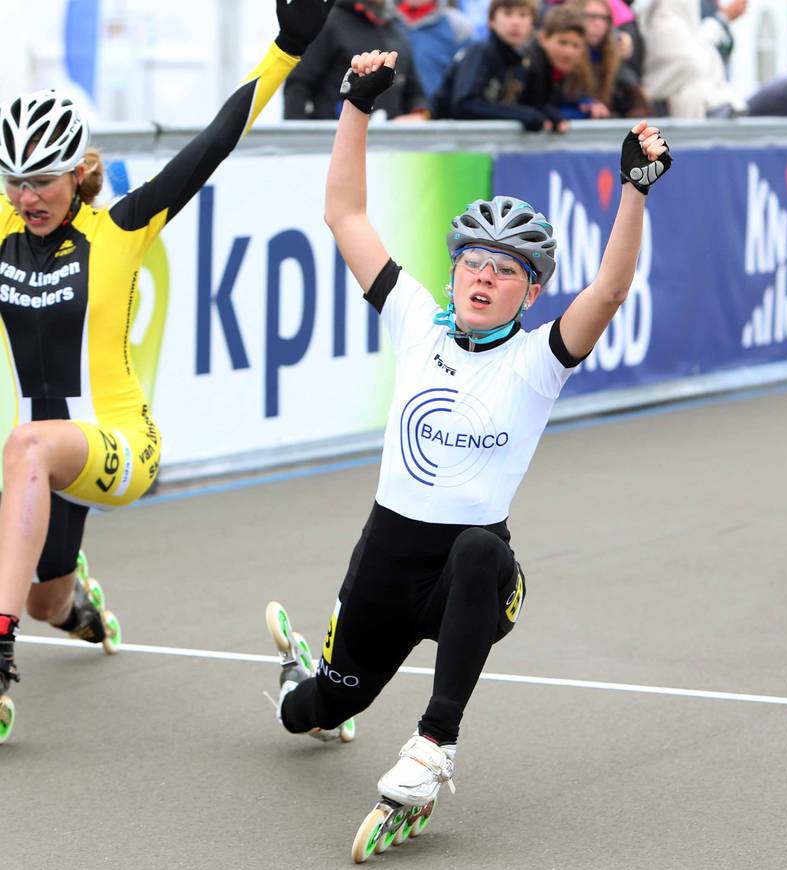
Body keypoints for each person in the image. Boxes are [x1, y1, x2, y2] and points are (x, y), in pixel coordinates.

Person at [268, 48, 672, 859]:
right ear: (453, 274)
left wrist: (634, 192)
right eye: (471, 265)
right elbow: (346, 216)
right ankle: (300, 677)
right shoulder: (416, 320)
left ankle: (430, 748)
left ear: (531, 290)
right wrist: (356, 104)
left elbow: (611, 291)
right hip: (386, 556)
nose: (482, 280)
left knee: (483, 549)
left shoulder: (538, 362)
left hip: (469, 572)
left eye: (504, 271)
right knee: (314, 712)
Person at [0, 0, 335, 744]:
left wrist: (287, 48)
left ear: (81, 170)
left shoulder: (121, 227)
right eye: (15, 181)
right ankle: (74, 606)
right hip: (50, 466)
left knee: (25, 443)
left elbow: (216, 140)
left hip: (120, 442)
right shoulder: (3, 227)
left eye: (44, 180)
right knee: (45, 599)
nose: (28, 198)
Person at [282, 0, 429, 122]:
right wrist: (302, 143)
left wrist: (418, 114)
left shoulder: (397, 33)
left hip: (387, 149)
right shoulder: (327, 23)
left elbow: (415, 93)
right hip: (333, 145)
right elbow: (298, 85)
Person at [432, 0, 550, 130]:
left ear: (532, 25)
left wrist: (548, 114)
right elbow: (463, 104)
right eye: (508, 14)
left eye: (522, 15)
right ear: (491, 21)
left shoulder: (526, 61)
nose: (515, 22)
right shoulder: (480, 52)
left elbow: (533, 104)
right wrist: (522, 115)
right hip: (448, 141)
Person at [638, 0, 745, 118]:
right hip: (676, 104)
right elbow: (691, 62)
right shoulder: (665, 19)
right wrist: (722, 19)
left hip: (711, 95)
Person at [571, 0, 651, 118]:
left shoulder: (609, 51)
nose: (599, 24)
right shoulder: (567, 50)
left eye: (604, 18)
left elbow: (625, 81)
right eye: (592, 17)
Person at [524, 7, 592, 125]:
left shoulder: (562, 69)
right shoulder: (531, 67)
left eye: (576, 45)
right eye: (562, 42)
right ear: (543, 39)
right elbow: (536, 104)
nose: (569, 52)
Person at [396, 0, 475, 99]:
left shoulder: (457, 24)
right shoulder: (385, 22)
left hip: (440, 110)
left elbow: (469, 76)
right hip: (392, 111)